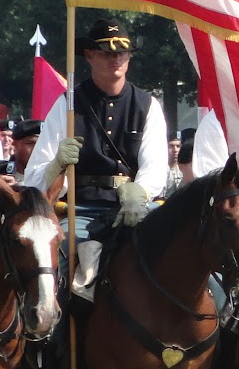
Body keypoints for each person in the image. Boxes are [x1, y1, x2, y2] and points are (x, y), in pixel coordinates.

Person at [22, 18, 169, 244]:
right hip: (79, 209)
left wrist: (140, 192)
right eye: (107, 53)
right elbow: (34, 179)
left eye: (122, 52)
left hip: (133, 207)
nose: (116, 58)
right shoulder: (67, 104)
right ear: (89, 55)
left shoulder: (148, 105)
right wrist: (56, 165)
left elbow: (155, 166)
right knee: (62, 252)